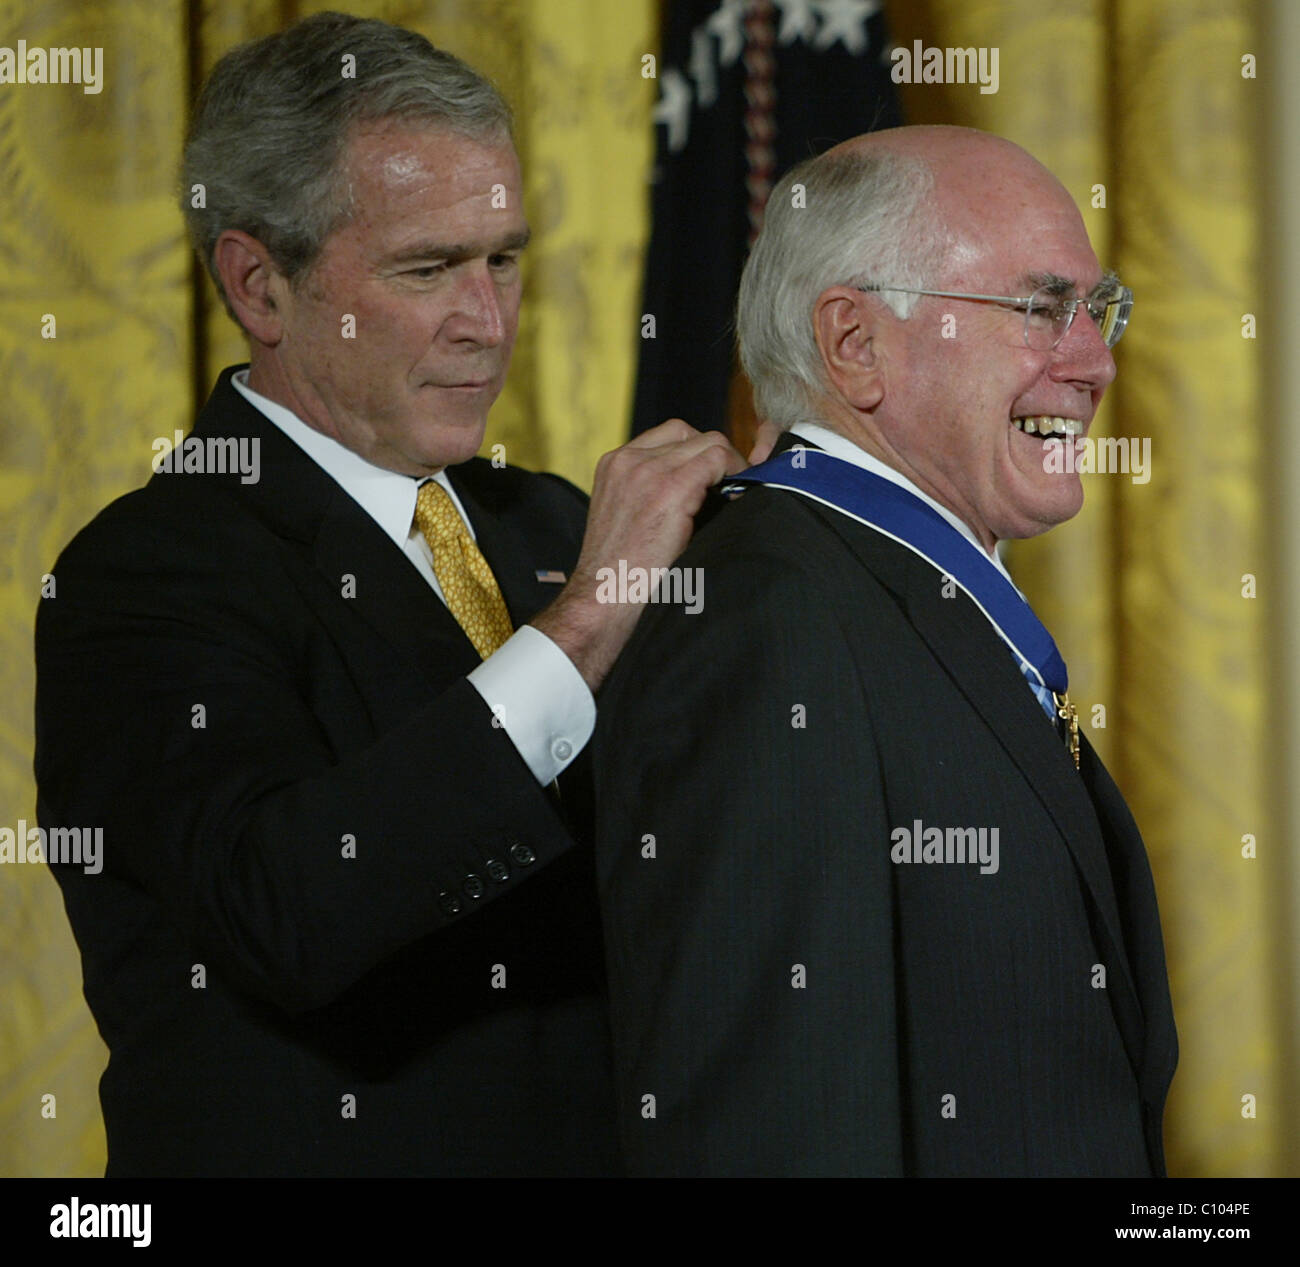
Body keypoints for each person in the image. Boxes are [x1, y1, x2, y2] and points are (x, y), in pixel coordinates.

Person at [33, 12, 745, 1176]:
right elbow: (287, 912)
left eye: (503, 259)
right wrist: (582, 629)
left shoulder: (557, 523)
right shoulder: (147, 570)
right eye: (427, 268)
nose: (488, 321)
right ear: (259, 285)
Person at [593, 126, 1178, 1177]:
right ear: (855, 344)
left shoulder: (888, 592)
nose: (1093, 362)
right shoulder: (767, 618)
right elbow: (769, 1131)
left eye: (1100, 311)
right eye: (1040, 308)